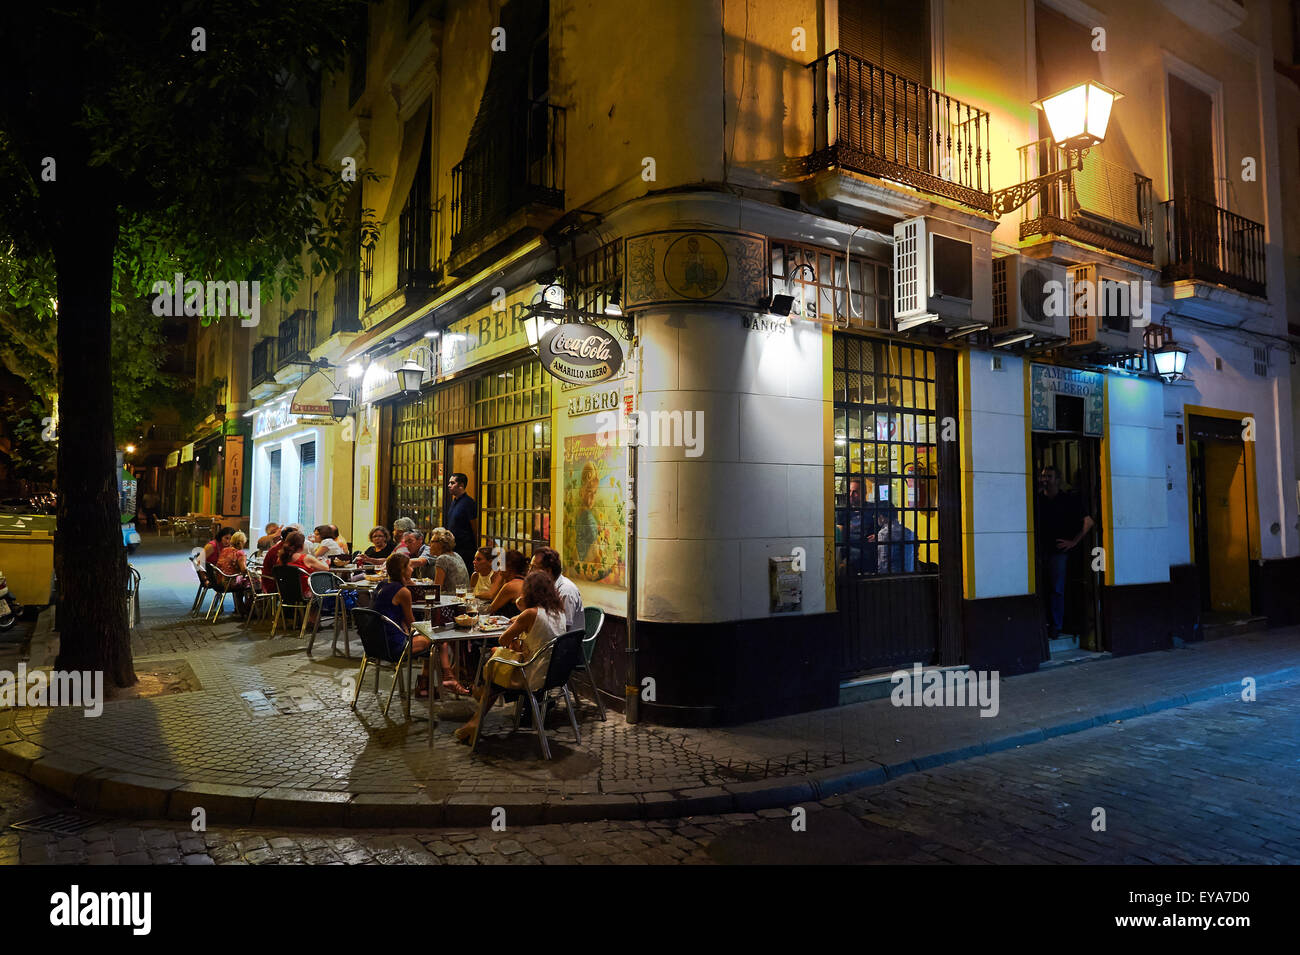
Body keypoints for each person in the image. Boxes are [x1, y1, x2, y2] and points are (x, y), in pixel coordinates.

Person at [454, 571, 568, 744]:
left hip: (533, 675)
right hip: (553, 672)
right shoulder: (557, 611)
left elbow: (503, 639)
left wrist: (521, 611)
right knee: (495, 656)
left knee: (494, 660)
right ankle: (474, 721)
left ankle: (477, 706)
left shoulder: (529, 614)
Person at [1036, 465, 1094, 642]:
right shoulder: (1037, 499)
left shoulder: (1068, 500)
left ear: (1058, 480)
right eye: (1043, 476)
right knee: (1043, 587)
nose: (1045, 479)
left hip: (1058, 552)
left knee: (1056, 589)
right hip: (1040, 551)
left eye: (1050, 476)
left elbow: (1088, 522)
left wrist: (1074, 541)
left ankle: (1056, 626)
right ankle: (1044, 624)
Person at [371, 552, 433, 694]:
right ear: (403, 570)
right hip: (393, 646)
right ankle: (426, 686)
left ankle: (429, 683)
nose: (412, 569)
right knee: (435, 642)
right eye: (410, 566)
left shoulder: (381, 584)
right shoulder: (403, 592)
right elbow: (413, 623)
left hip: (374, 644)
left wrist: (408, 581)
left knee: (429, 639)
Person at [530, 546, 583, 632]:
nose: (530, 572)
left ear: (548, 571)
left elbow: (564, 628)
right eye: (530, 567)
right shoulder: (547, 587)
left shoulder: (566, 591)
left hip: (564, 642)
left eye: (534, 568)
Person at [443, 472, 478, 572]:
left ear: (461, 485)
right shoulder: (454, 502)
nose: (449, 485)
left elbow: (475, 526)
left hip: (465, 550)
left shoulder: (468, 503)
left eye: (452, 483)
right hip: (454, 548)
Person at [482, 549, 528, 618]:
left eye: (500, 564)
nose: (498, 568)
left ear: (508, 567)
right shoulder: (525, 581)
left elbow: (490, 610)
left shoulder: (510, 586)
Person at [216, 530, 253, 615]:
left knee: (241, 580)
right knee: (254, 583)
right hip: (230, 582)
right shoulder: (239, 553)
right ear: (241, 543)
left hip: (220, 580)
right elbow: (243, 569)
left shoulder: (224, 550)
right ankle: (248, 609)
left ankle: (239, 608)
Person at [874, 504, 916, 574]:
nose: (874, 517)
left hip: (893, 575)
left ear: (882, 517)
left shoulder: (884, 534)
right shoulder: (907, 531)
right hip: (909, 572)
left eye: (876, 515)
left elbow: (883, 561)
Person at [426, 527, 469, 592]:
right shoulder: (456, 555)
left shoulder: (442, 559)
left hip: (450, 599)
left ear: (440, 543)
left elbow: (437, 589)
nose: (429, 545)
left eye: (432, 541)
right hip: (462, 598)